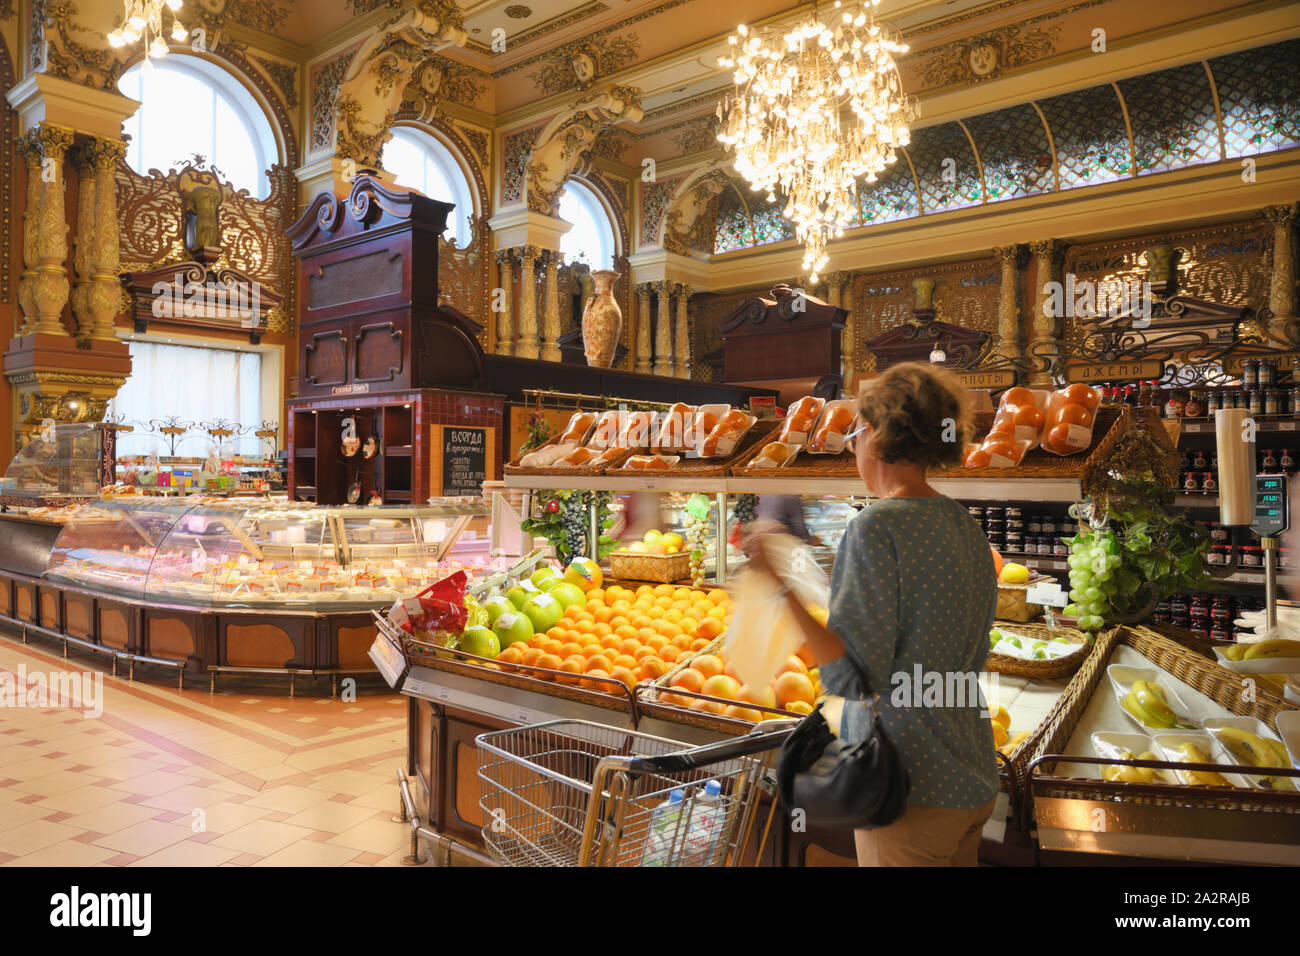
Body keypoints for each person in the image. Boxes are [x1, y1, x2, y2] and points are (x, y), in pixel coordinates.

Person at [749, 362, 998, 866]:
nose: (854, 445)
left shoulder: (876, 527)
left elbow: (853, 676)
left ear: (880, 436)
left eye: (857, 431)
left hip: (909, 785)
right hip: (972, 772)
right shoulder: (962, 522)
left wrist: (781, 588)